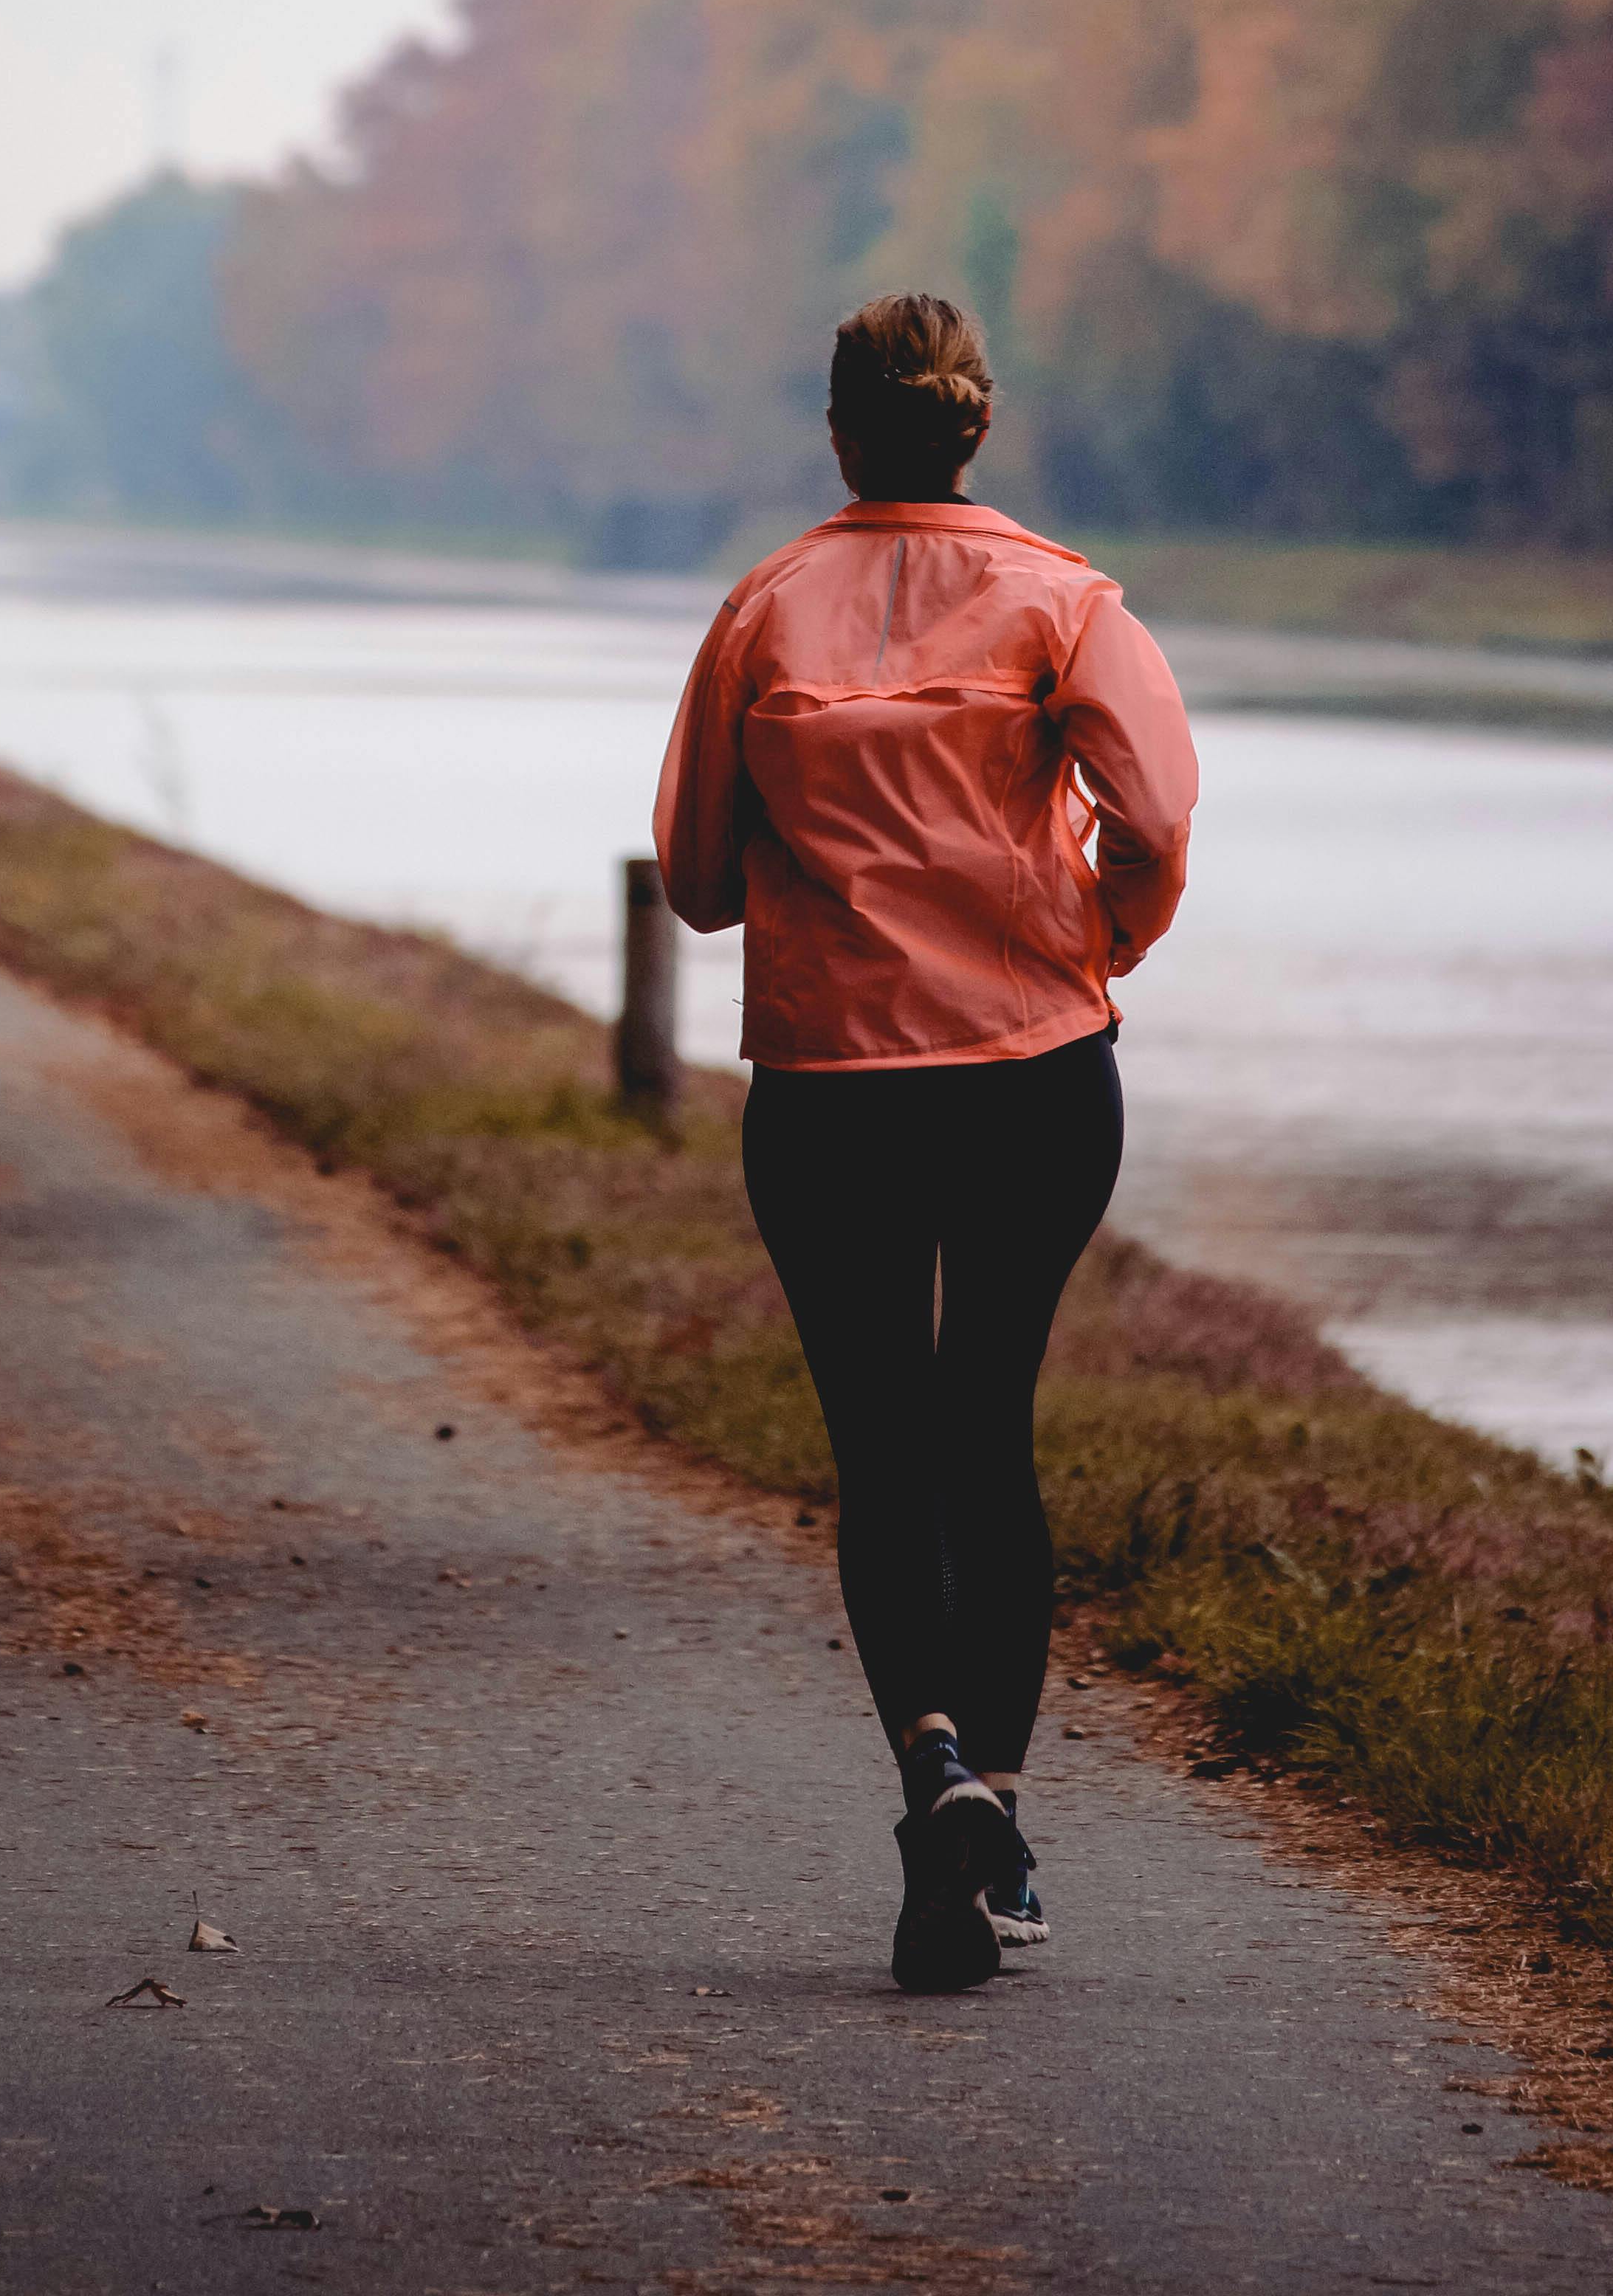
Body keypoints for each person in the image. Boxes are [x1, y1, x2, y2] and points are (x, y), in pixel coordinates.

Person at [654, 292, 1197, 1994]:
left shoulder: (763, 610)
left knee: (883, 1448)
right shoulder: (1065, 600)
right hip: (1037, 1072)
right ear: (979, 426)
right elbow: (1160, 817)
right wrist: (1092, 940)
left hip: (830, 1088)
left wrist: (827, 885)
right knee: (992, 1430)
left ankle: (934, 1774)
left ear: (839, 434)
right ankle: (999, 1828)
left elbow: (691, 876)